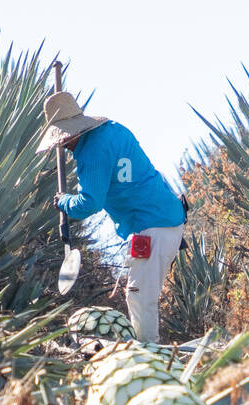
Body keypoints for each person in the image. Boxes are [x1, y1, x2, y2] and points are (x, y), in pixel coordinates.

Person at [37, 91, 185, 342]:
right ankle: (148, 352)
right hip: (166, 219)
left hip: (150, 226)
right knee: (140, 293)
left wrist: (65, 202)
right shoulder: (114, 130)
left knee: (139, 296)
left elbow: (89, 203)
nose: (62, 146)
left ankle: (150, 358)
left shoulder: (91, 151)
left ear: (67, 134)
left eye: (62, 140)